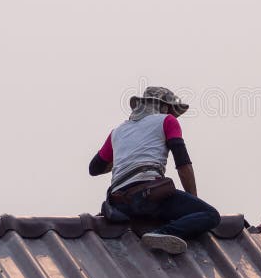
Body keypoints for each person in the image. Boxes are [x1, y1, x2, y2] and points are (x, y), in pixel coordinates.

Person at [89, 86, 220, 254]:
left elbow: (94, 168)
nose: (172, 114)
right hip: (148, 197)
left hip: (120, 203)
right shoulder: (167, 121)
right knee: (210, 215)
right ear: (164, 107)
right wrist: (192, 199)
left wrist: (125, 154)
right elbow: (183, 163)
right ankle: (161, 234)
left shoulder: (117, 132)